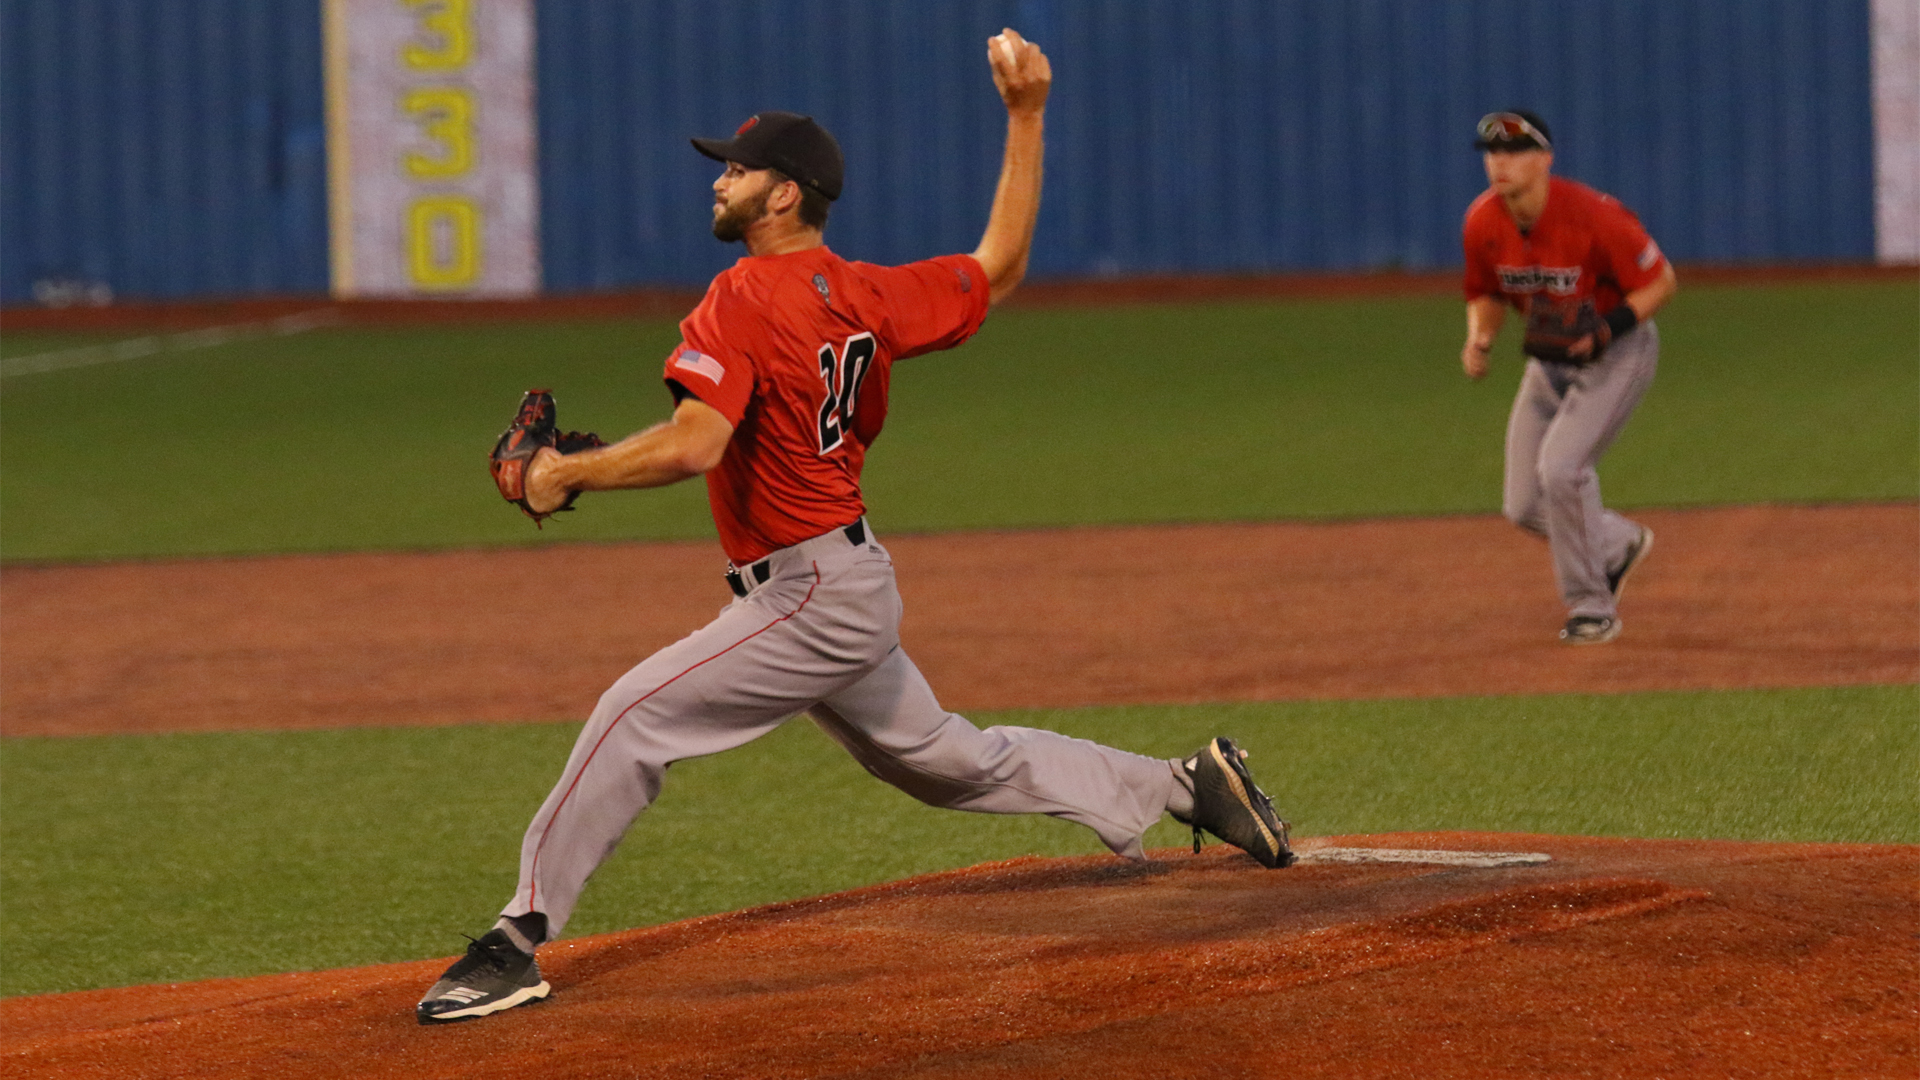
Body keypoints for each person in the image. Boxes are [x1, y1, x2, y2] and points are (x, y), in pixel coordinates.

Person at [417, 29, 1293, 1025]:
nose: (721, 182)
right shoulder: (866, 292)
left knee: (633, 716)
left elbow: (698, 442)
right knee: (950, 762)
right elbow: (997, 267)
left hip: (808, 596)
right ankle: (1186, 785)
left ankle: (514, 940)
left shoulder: (740, 297)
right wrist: (1027, 115)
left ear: (783, 192)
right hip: (847, 583)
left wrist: (560, 474)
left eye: (738, 169)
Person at [1459, 110, 1678, 645]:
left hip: (1617, 354)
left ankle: (1591, 607)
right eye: (1492, 153)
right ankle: (1616, 544)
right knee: (1523, 504)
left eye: (1513, 151)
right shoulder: (1483, 222)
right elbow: (1485, 291)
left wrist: (1606, 331)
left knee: (1562, 470)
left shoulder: (1594, 216)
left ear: (1545, 159)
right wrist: (1480, 337)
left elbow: (1662, 281)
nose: (1500, 163)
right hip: (1550, 363)